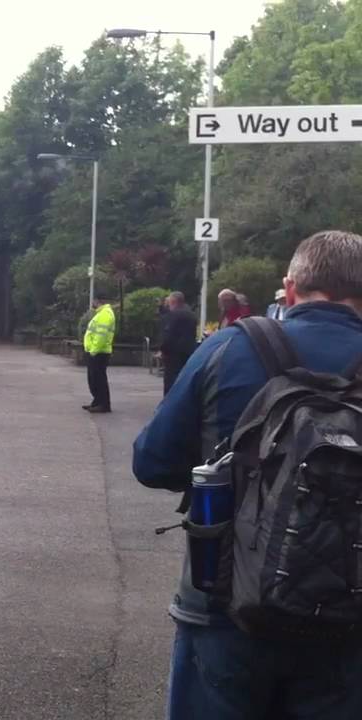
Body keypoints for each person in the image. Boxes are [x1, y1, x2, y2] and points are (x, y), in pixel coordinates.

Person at [133, 230, 362, 719]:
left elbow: (151, 463)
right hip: (350, 615)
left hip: (224, 602)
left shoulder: (228, 348)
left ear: (291, 287)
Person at [82, 292, 116, 414]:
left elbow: (101, 335)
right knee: (94, 379)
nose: (92, 303)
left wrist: (94, 350)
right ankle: (97, 402)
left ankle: (103, 405)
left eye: (93, 301)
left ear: (97, 301)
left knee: (98, 379)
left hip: (99, 352)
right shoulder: (102, 313)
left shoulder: (105, 314)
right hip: (96, 351)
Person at [157, 291, 197, 395]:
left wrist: (162, 349)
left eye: (169, 303)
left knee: (170, 383)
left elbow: (168, 335)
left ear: (173, 302)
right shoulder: (191, 315)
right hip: (188, 352)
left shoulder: (173, 315)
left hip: (173, 354)